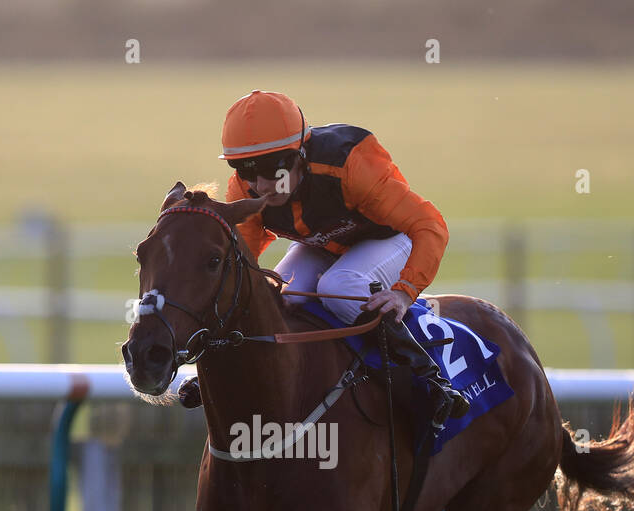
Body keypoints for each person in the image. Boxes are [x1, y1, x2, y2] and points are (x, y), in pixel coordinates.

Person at [178, 90, 469, 426]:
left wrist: (404, 291)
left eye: (273, 168)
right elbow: (243, 267)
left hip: (390, 239)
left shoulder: (351, 164)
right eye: (244, 169)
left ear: (300, 153)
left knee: (338, 284)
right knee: (281, 293)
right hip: (326, 245)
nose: (260, 185)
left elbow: (429, 225)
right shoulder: (245, 189)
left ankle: (428, 379)